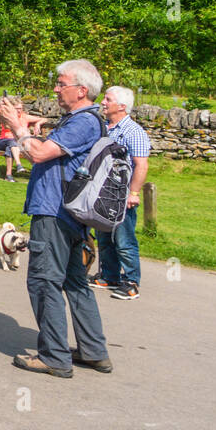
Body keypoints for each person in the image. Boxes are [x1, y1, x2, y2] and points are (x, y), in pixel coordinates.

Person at [0, 59, 112, 378]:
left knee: (43, 280)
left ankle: (54, 355)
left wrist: (17, 128)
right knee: (75, 282)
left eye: (62, 84)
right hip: (70, 214)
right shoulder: (84, 119)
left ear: (82, 90)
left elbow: (39, 154)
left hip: (55, 211)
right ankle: (93, 350)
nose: (56, 89)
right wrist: (27, 124)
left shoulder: (84, 122)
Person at [91, 86, 150, 301]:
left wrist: (133, 192)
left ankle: (131, 282)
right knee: (104, 236)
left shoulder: (134, 132)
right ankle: (110, 276)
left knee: (124, 240)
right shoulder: (105, 127)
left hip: (122, 194)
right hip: (103, 193)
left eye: (108, 99)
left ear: (122, 106)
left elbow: (141, 165)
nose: (103, 102)